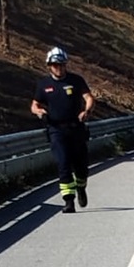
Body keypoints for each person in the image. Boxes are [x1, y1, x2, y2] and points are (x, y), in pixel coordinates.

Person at [31, 46, 95, 214]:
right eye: (54, 65)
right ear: (49, 66)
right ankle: (68, 201)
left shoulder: (76, 80)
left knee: (81, 167)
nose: (58, 68)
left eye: (61, 65)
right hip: (56, 130)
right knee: (63, 164)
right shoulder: (44, 84)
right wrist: (39, 112)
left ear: (66, 65)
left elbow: (88, 97)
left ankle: (81, 187)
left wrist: (86, 111)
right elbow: (34, 104)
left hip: (76, 128)